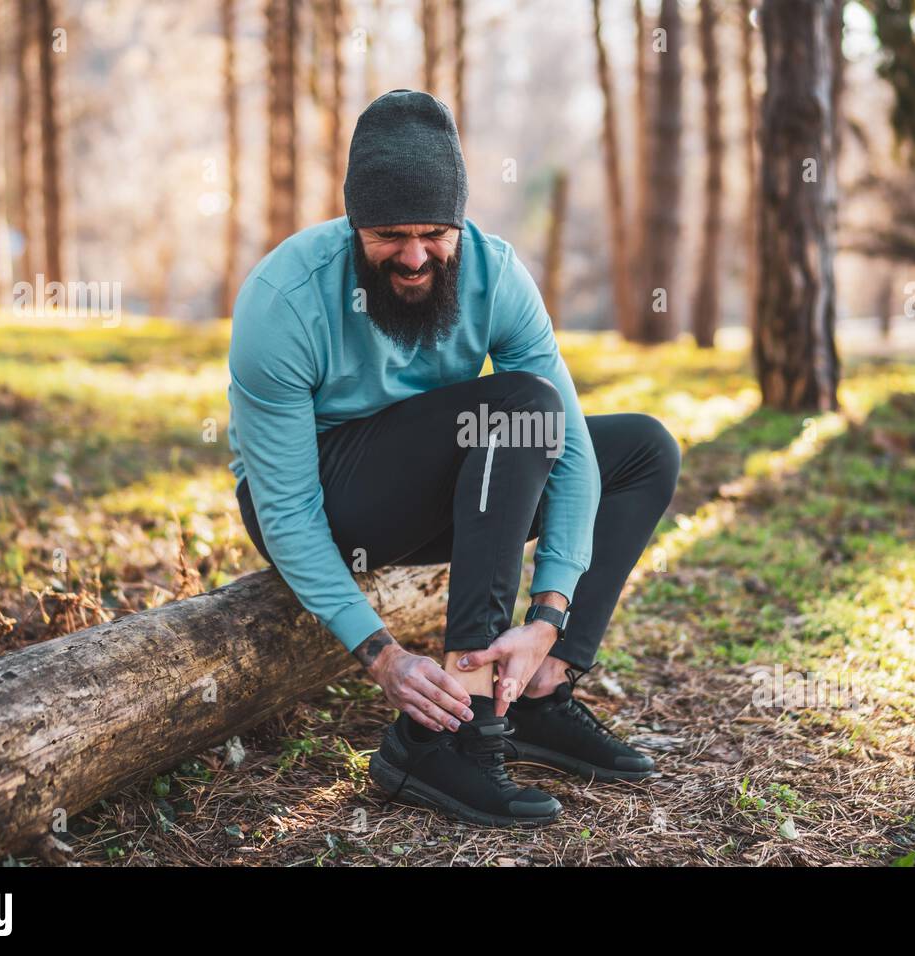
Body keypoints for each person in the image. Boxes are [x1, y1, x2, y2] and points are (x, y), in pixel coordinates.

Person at [227, 89, 681, 827]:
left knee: (640, 451)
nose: (413, 256)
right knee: (520, 408)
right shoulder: (284, 300)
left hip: (450, 481)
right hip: (328, 499)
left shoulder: (495, 276)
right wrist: (382, 655)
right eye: (389, 235)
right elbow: (284, 509)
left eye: (435, 232)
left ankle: (534, 694)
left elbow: (569, 458)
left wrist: (550, 614)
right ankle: (444, 736)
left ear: (461, 222)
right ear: (353, 224)